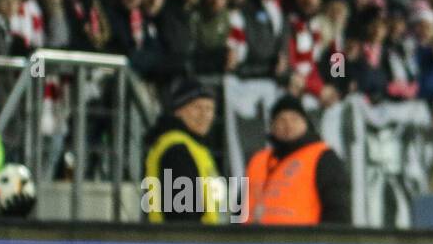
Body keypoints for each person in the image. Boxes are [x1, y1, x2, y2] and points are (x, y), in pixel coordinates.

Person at [242, 94, 350, 226]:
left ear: (306, 123)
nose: (288, 125)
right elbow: (239, 208)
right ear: (272, 126)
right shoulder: (257, 159)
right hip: (250, 243)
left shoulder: (323, 156)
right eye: (281, 120)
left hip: (301, 243)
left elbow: (338, 211)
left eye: (294, 119)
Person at [143, 78, 222, 224]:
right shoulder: (177, 150)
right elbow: (182, 215)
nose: (204, 115)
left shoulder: (195, 147)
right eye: (197, 107)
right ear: (178, 111)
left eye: (209, 109)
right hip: (183, 243)